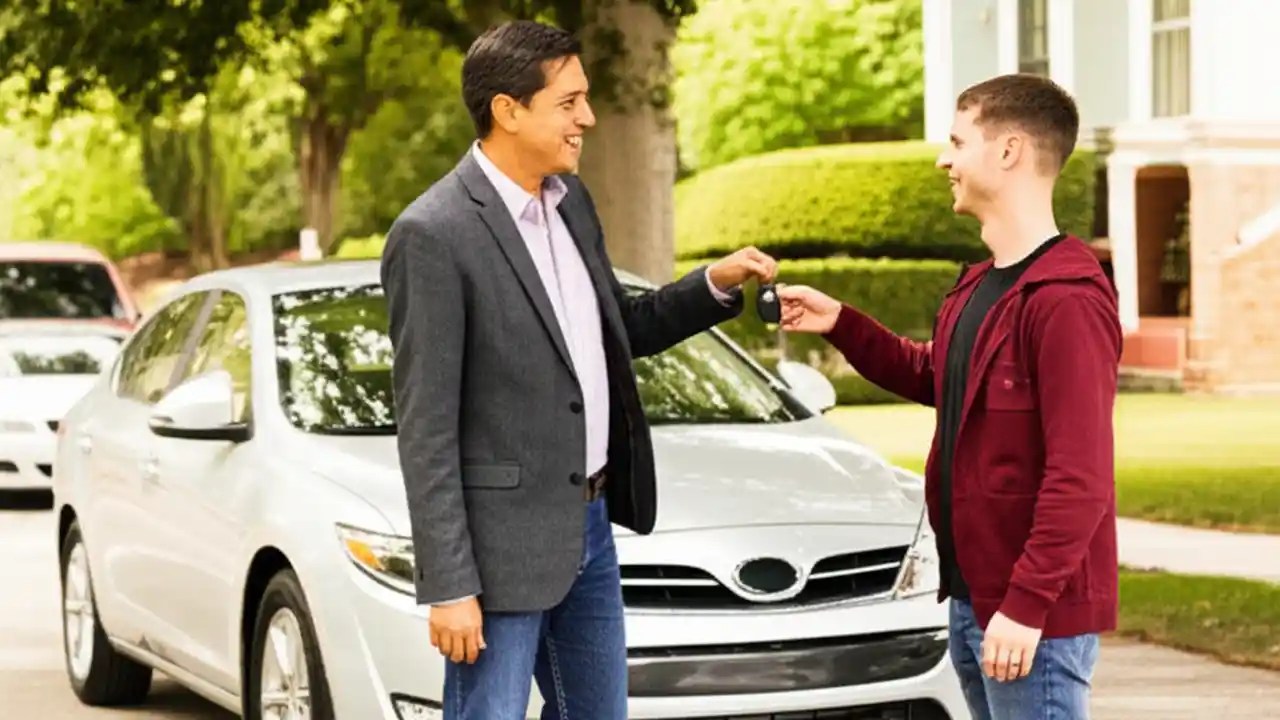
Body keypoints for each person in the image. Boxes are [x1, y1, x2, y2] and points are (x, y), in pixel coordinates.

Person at [379, 19, 778, 720]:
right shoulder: (432, 235)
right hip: (496, 552)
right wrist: (449, 586)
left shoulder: (572, 205)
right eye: (569, 103)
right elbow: (426, 426)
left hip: (589, 531)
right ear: (507, 110)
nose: (587, 118)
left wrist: (711, 283)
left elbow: (613, 332)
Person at [777, 73, 1121, 720]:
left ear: (1009, 150)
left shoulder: (1065, 300)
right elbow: (941, 377)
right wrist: (844, 324)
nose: (944, 159)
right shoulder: (980, 288)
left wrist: (1026, 606)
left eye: (958, 141)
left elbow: (1081, 476)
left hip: (1030, 615)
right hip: (972, 598)